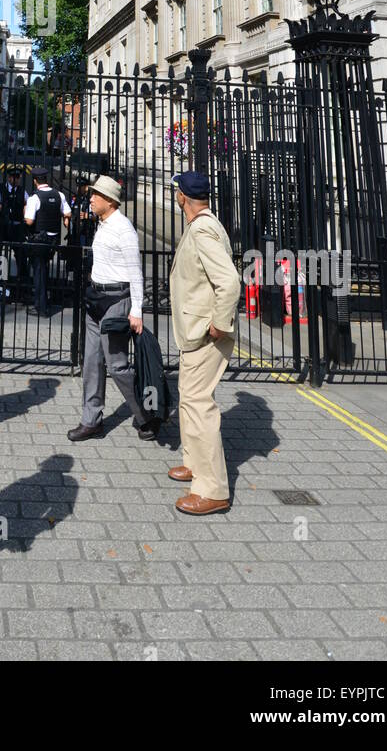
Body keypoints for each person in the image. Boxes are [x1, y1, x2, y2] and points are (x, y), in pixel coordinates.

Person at [167, 170, 239, 516]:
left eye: (176, 192)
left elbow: (229, 281)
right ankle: (194, 464)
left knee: (198, 403)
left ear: (183, 197)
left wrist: (219, 325)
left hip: (205, 333)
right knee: (189, 397)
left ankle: (212, 490)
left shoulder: (203, 229)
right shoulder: (205, 224)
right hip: (195, 330)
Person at [67, 175, 154, 442]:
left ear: (109, 201)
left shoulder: (123, 229)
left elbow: (136, 274)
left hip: (117, 301)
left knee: (117, 366)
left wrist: (136, 310)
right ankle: (91, 420)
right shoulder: (103, 223)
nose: (90, 198)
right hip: (97, 298)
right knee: (91, 361)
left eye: (96, 195)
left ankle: (145, 415)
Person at [23, 167, 70, 317]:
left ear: (35, 181)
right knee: (44, 271)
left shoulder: (34, 198)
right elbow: (67, 212)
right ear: (46, 180)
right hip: (53, 239)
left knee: (39, 273)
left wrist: (25, 212)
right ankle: (44, 302)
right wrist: (65, 219)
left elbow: (29, 221)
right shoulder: (59, 195)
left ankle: (41, 307)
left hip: (39, 240)